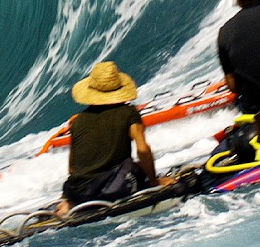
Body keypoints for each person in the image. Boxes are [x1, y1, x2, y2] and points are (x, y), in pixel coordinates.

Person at [56, 62, 174, 216]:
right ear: (120, 89)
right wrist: (154, 182)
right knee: (135, 167)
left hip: (78, 191)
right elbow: (143, 150)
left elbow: (73, 168)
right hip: (111, 190)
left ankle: (70, 204)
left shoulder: (77, 121)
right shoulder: (128, 112)